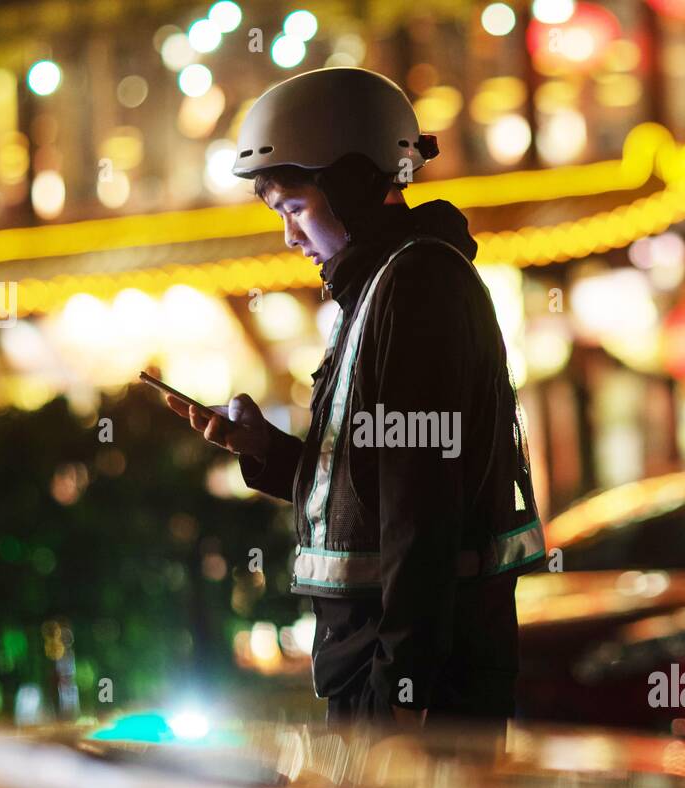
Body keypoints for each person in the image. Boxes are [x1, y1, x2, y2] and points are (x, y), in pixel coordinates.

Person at [165, 67, 544, 734]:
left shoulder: (416, 290)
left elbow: (419, 508)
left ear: (351, 185)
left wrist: (401, 692)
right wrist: (265, 450)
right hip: (388, 670)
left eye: (294, 208)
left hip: (418, 686)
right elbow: (376, 479)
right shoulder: (384, 290)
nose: (289, 237)